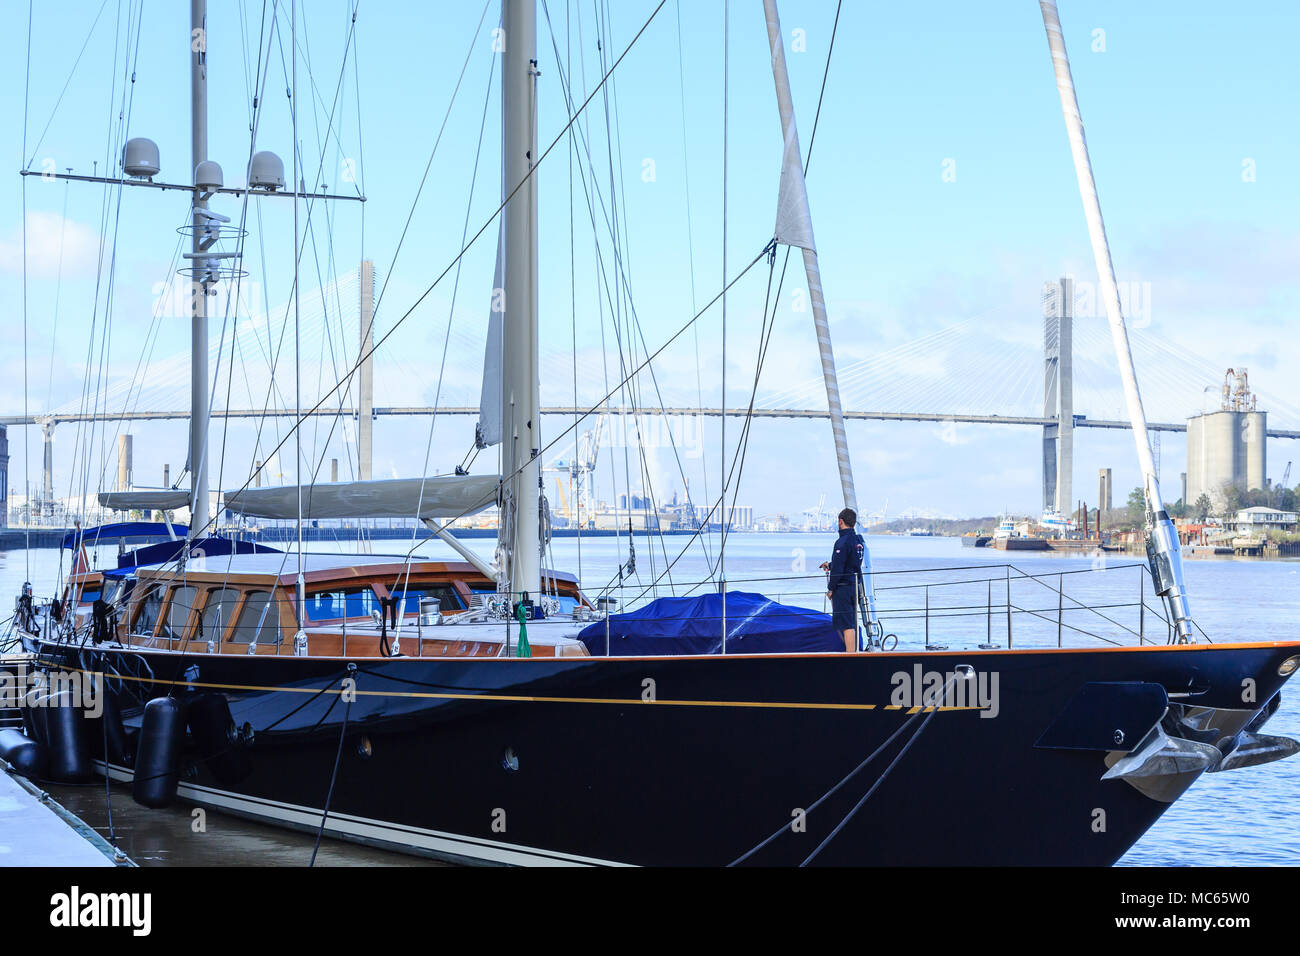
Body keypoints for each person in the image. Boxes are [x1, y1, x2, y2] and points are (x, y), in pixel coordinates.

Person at [820, 508, 864, 653]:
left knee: (846, 626)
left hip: (843, 588)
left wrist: (831, 589)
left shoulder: (841, 542)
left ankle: (850, 656)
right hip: (855, 587)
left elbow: (839, 569)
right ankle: (853, 652)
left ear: (840, 521)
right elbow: (850, 562)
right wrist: (830, 565)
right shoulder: (859, 541)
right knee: (851, 621)